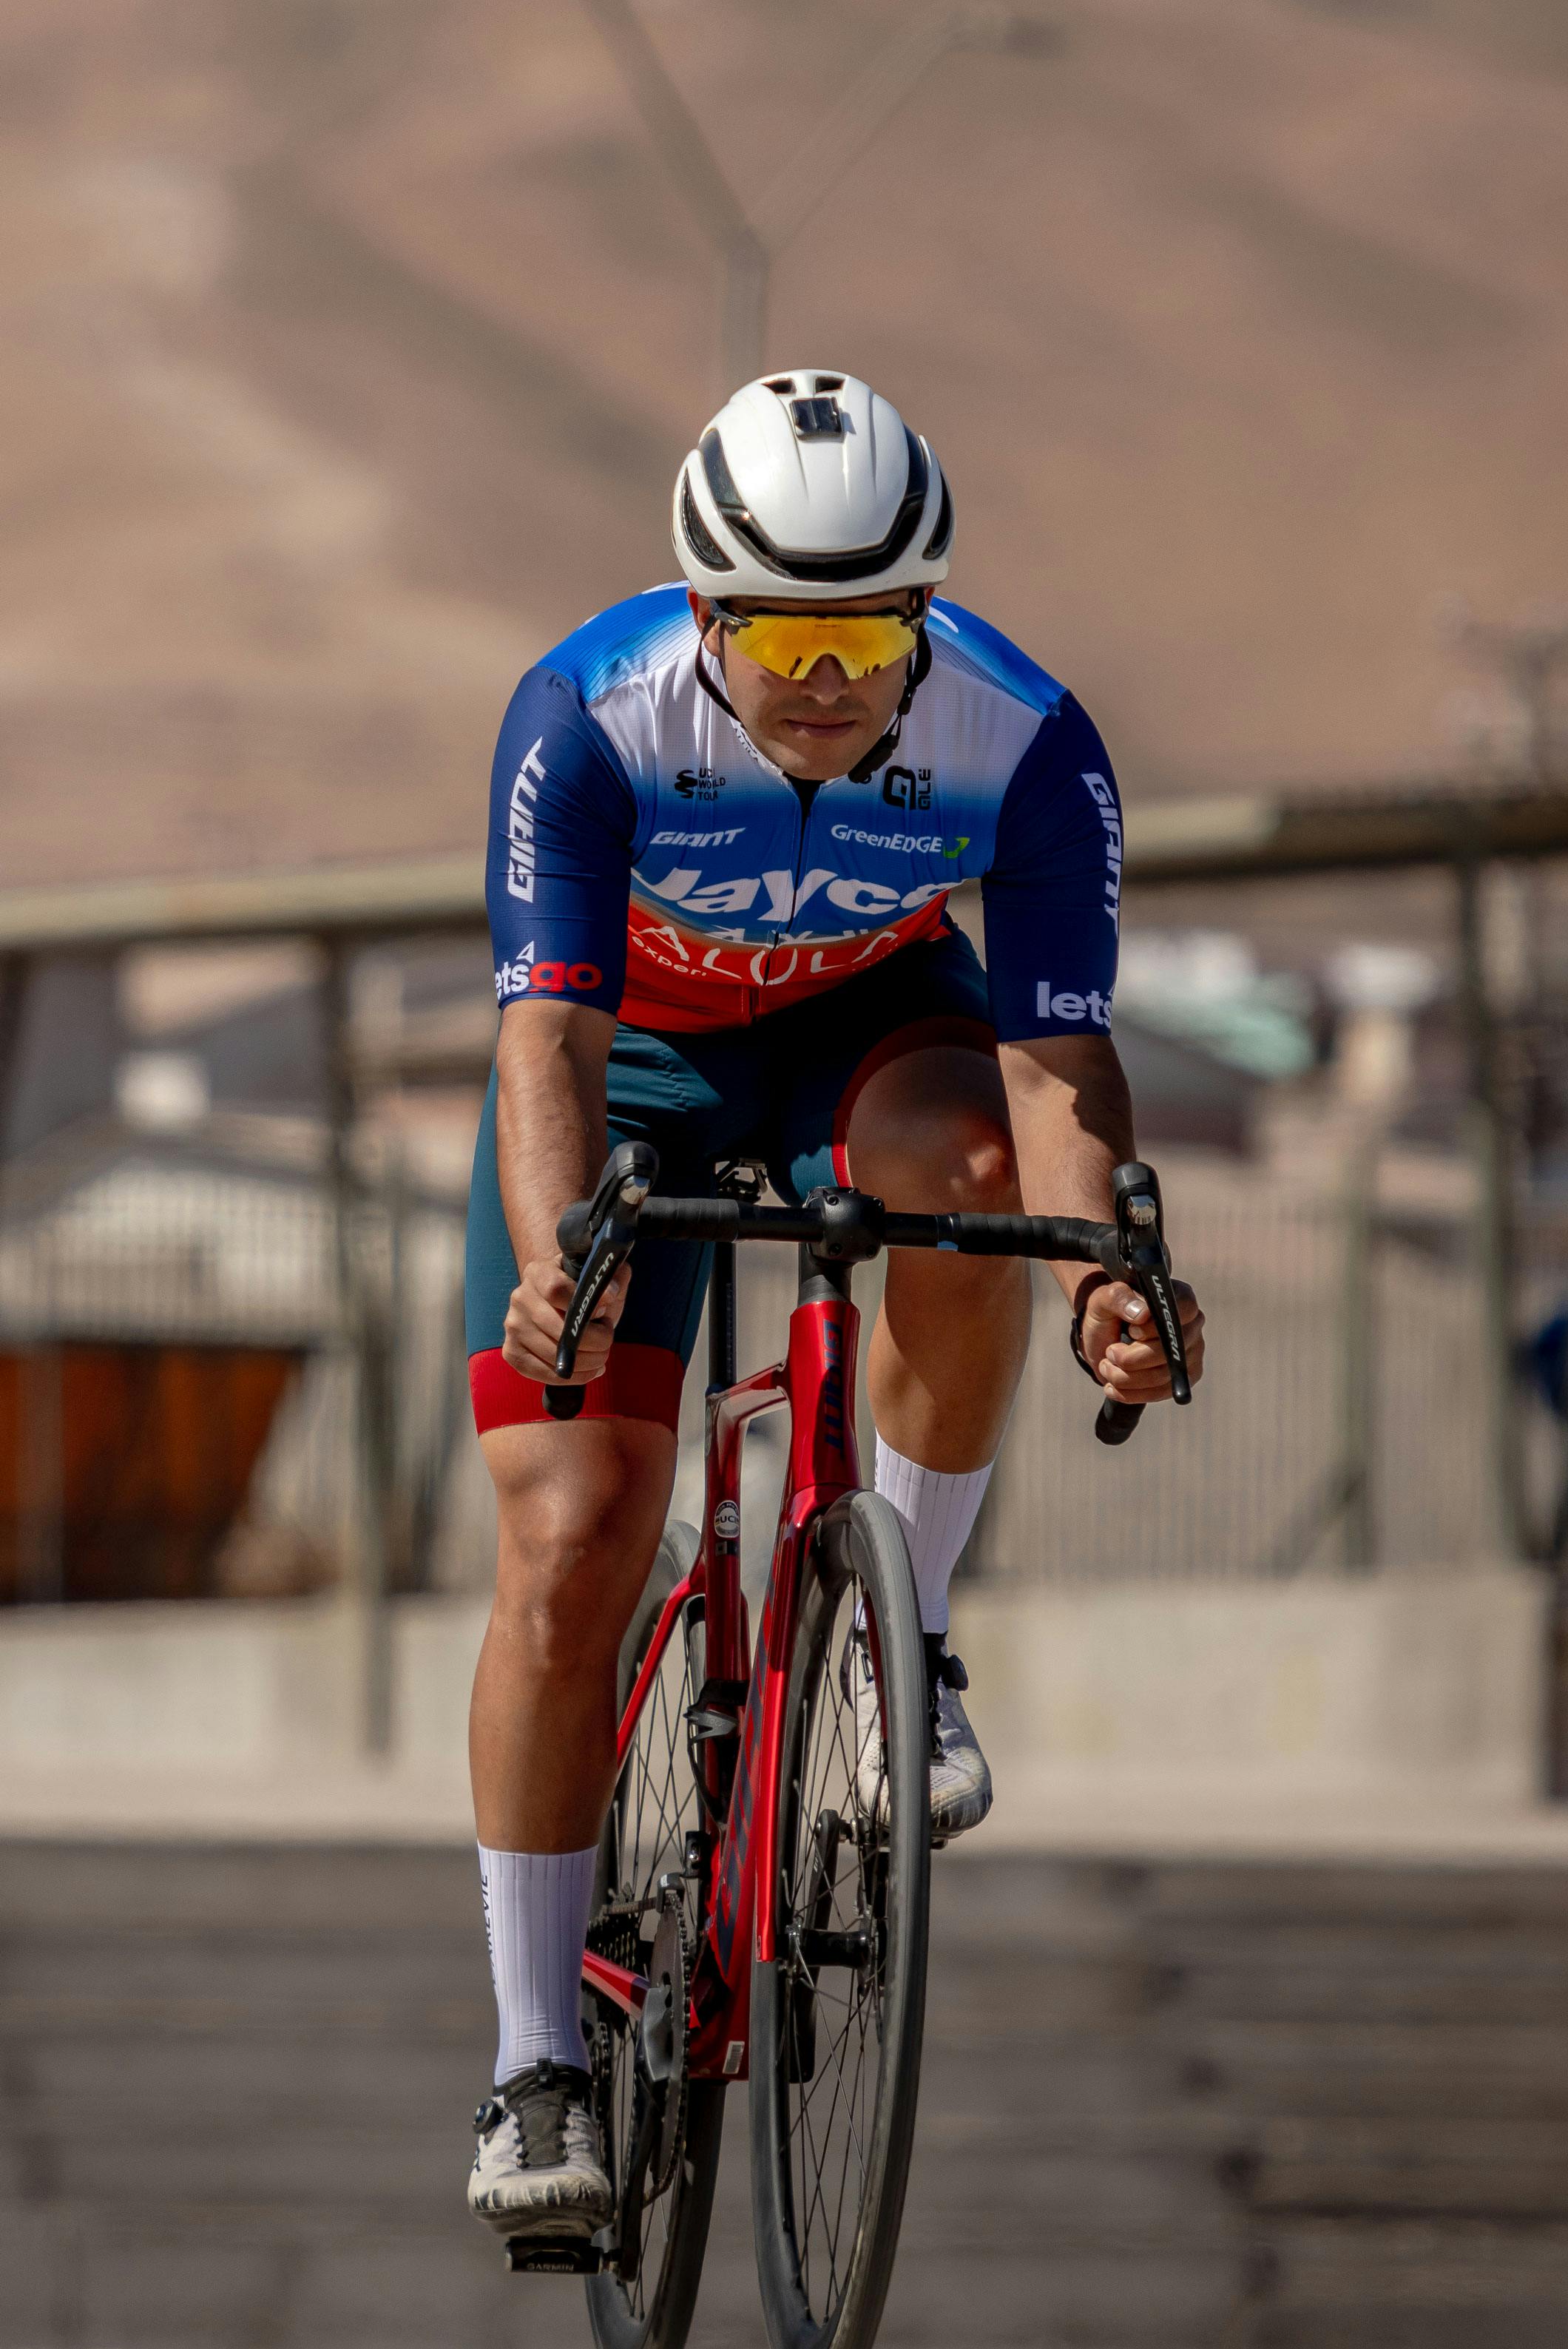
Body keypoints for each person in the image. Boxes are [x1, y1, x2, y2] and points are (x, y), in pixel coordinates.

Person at [462, 370, 1206, 2237]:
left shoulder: (1021, 736)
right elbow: (543, 1024)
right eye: (781, 633)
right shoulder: (588, 714)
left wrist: (1107, 1262)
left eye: (867, 632)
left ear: (925, 614)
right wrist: (560, 1253)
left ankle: (908, 1644)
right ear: (705, 613)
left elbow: (1054, 1060)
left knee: (963, 1196)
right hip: (632, 1058)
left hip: (870, 1034)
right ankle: (534, 2065)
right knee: (572, 1535)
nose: (821, 677)